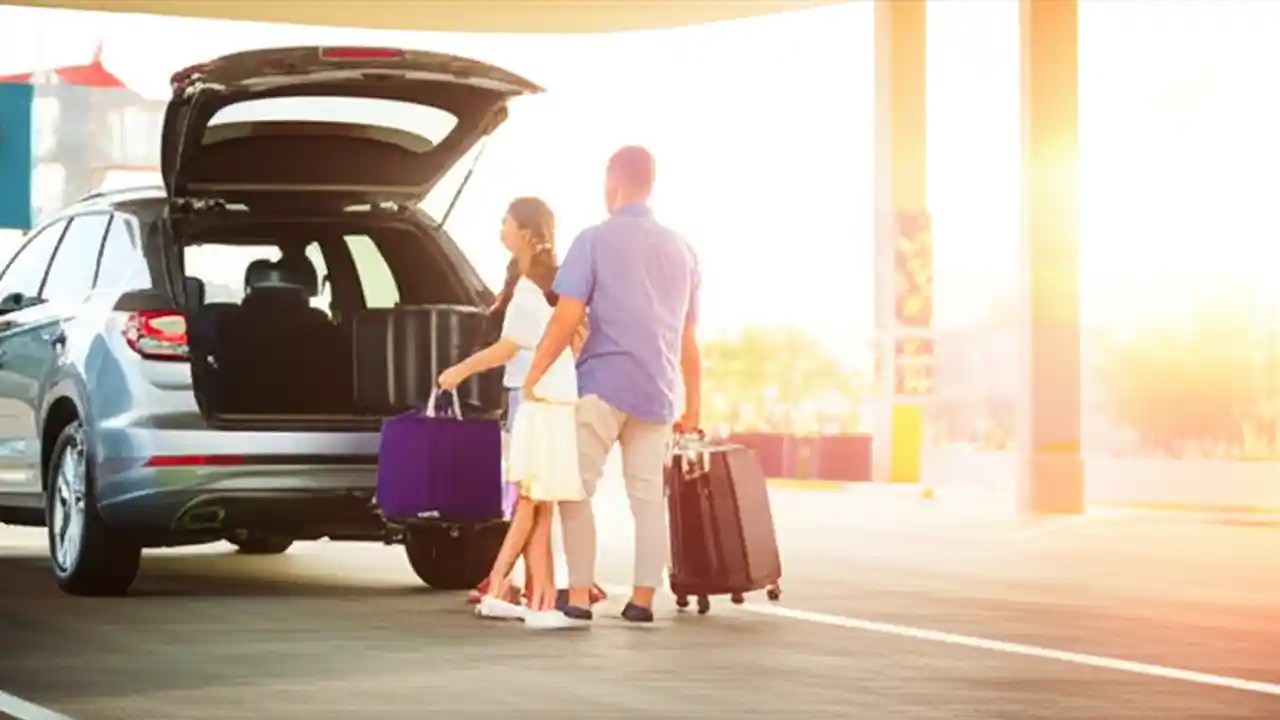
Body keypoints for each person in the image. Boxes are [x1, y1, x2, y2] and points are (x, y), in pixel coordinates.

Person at [522, 146, 702, 625]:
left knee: (575, 488)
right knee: (647, 498)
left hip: (603, 384)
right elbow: (688, 338)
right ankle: (642, 600)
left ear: (613, 182)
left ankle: (578, 594)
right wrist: (695, 407)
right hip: (658, 392)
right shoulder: (683, 250)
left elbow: (566, 316)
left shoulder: (593, 240)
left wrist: (534, 375)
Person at [437, 197, 578, 629]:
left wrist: (457, 371)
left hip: (532, 399)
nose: (501, 229)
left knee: (533, 502)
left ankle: (510, 589)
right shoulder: (544, 285)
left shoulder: (530, 292)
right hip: (546, 400)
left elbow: (507, 347)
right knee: (537, 502)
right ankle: (535, 597)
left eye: (506, 222)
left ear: (527, 233)